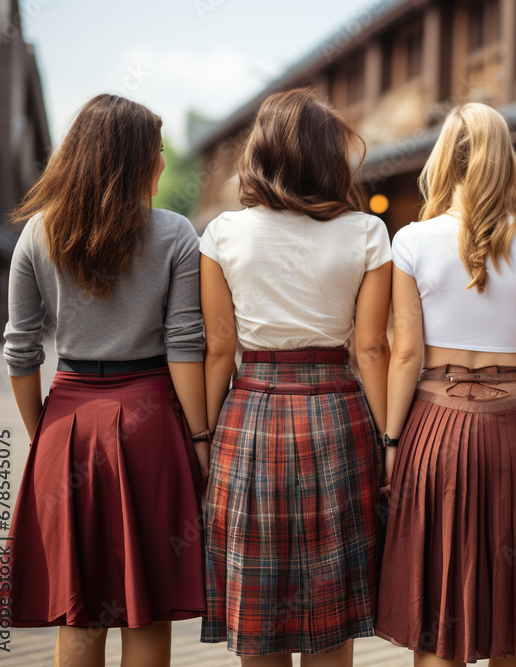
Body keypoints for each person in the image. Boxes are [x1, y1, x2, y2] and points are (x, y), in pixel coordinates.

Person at [0, 94, 208, 667]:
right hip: (153, 421)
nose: (161, 164)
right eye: (156, 152)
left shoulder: (38, 233)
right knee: (146, 608)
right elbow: (185, 345)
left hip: (66, 419)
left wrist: (44, 431)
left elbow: (21, 349)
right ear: (135, 160)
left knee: (79, 607)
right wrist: (200, 438)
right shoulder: (176, 233)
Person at [375, 102, 516, 666]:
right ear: (506, 161)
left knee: (438, 611)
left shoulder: (411, 241)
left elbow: (406, 353)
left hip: (434, 430)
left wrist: (392, 444)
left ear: (444, 162)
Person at [198, 89, 391, 666]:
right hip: (338, 411)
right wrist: (390, 439)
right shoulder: (365, 231)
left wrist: (203, 437)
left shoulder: (223, 232)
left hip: (249, 413)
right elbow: (373, 347)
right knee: (331, 616)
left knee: (258, 612)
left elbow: (219, 348)